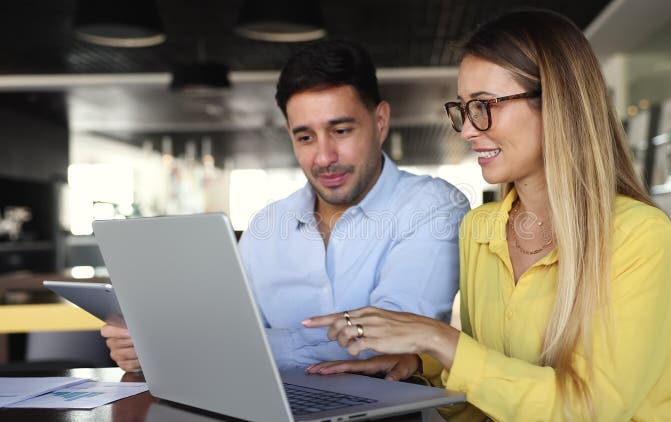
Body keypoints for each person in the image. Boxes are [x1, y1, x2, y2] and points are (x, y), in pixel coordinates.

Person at [303, 9, 671, 421]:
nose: (466, 130)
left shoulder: (636, 233)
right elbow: (493, 384)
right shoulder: (481, 228)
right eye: (463, 108)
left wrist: (439, 338)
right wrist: (417, 363)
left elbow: (593, 410)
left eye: (483, 106)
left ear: (555, 103)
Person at [101, 40, 470, 371]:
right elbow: (228, 329)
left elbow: (392, 337)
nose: (324, 157)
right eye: (305, 136)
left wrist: (188, 347)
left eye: (341, 131)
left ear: (380, 121)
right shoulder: (267, 225)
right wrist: (150, 349)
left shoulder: (433, 206)